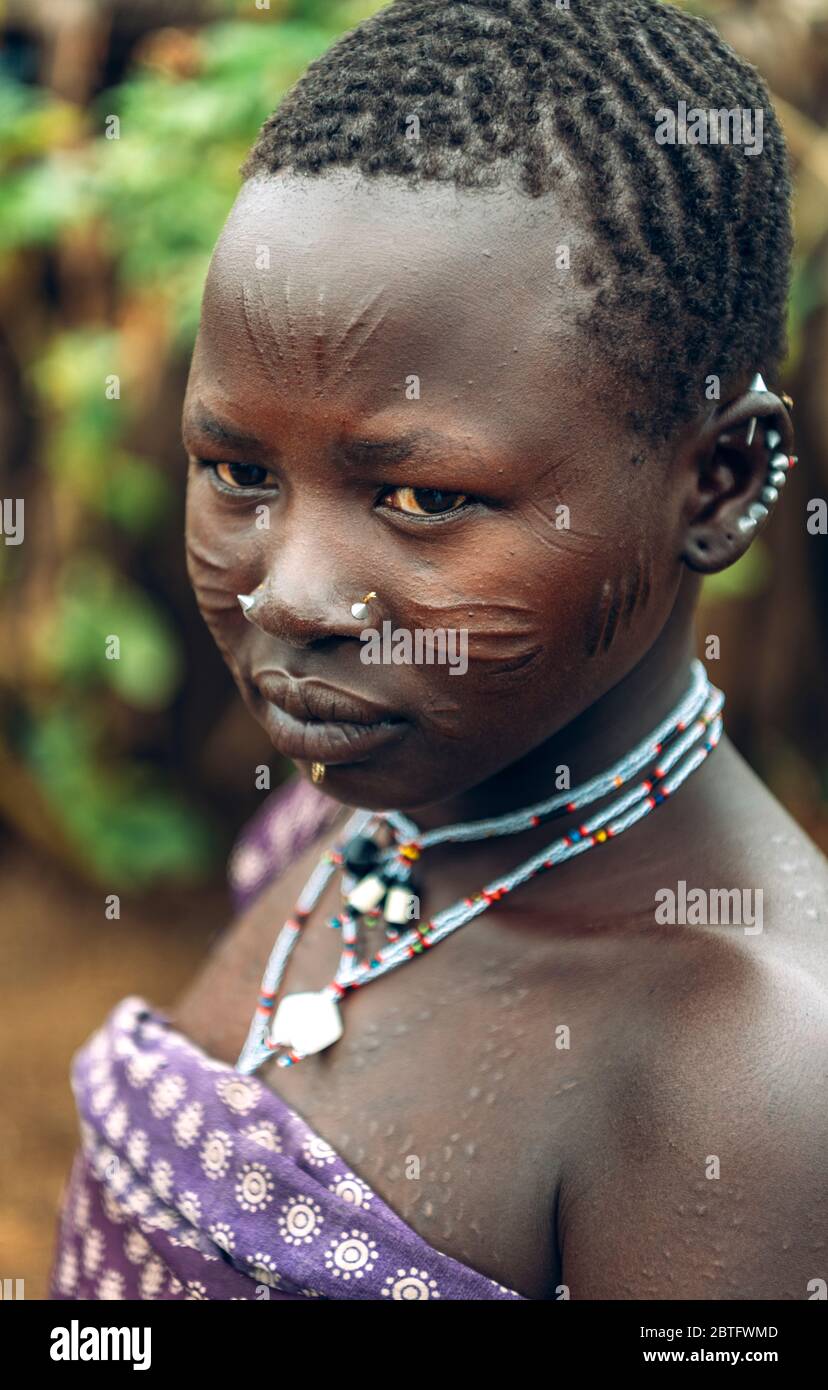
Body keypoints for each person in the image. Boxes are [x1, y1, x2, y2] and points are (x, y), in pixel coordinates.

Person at [50, 0, 827, 1302]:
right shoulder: (349, 826)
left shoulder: (744, 1071)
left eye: (421, 499)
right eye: (237, 469)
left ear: (719, 483)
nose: (292, 594)